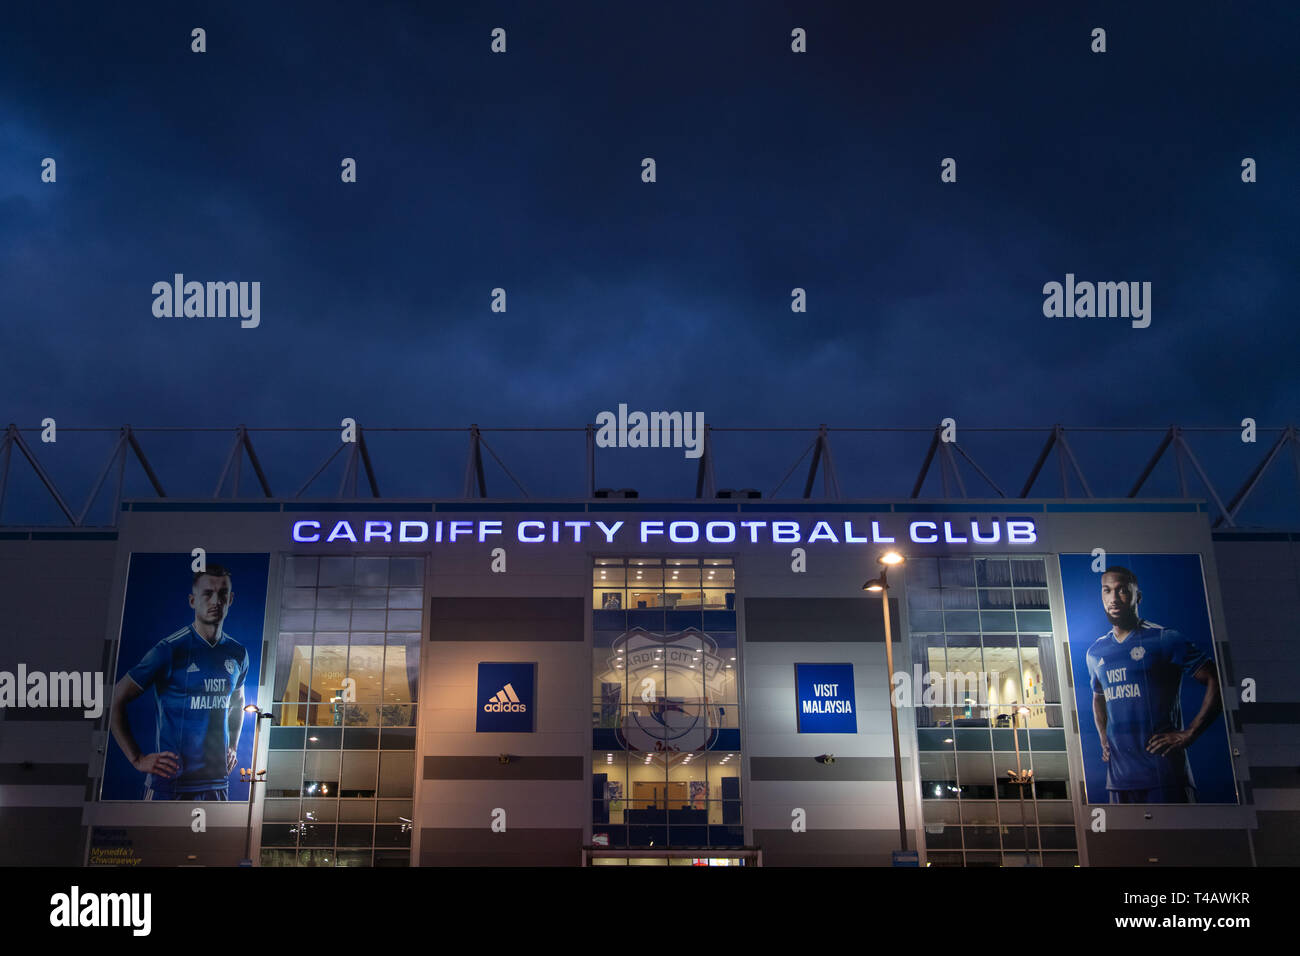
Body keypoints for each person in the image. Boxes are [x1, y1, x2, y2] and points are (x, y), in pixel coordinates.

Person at [109, 564, 250, 800]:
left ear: (231, 599)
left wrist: (233, 746)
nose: (216, 601)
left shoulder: (238, 653)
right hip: (170, 785)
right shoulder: (169, 650)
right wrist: (137, 759)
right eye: (207, 593)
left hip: (217, 784)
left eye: (223, 594)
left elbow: (238, 701)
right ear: (192, 600)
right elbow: (116, 699)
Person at [1086, 566, 1221, 803]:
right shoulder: (1095, 651)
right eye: (1107, 591)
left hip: (1164, 775)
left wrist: (1189, 734)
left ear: (1138, 596)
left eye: (1122, 591)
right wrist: (1103, 738)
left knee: (1179, 840)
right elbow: (1098, 695)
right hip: (1119, 780)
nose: (1114, 598)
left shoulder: (1164, 638)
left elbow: (1215, 679)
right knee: (1123, 842)